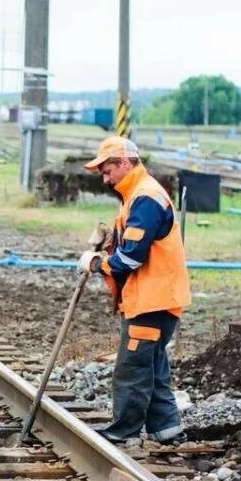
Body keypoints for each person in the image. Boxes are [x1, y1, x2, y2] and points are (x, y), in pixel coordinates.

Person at [80, 136, 191, 445]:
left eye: (107, 170)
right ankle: (167, 431)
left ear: (125, 163)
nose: (105, 178)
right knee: (152, 366)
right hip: (154, 300)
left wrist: (96, 264)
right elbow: (130, 244)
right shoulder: (136, 196)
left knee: (132, 368)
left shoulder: (145, 197)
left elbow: (130, 258)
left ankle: (121, 433)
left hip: (152, 302)